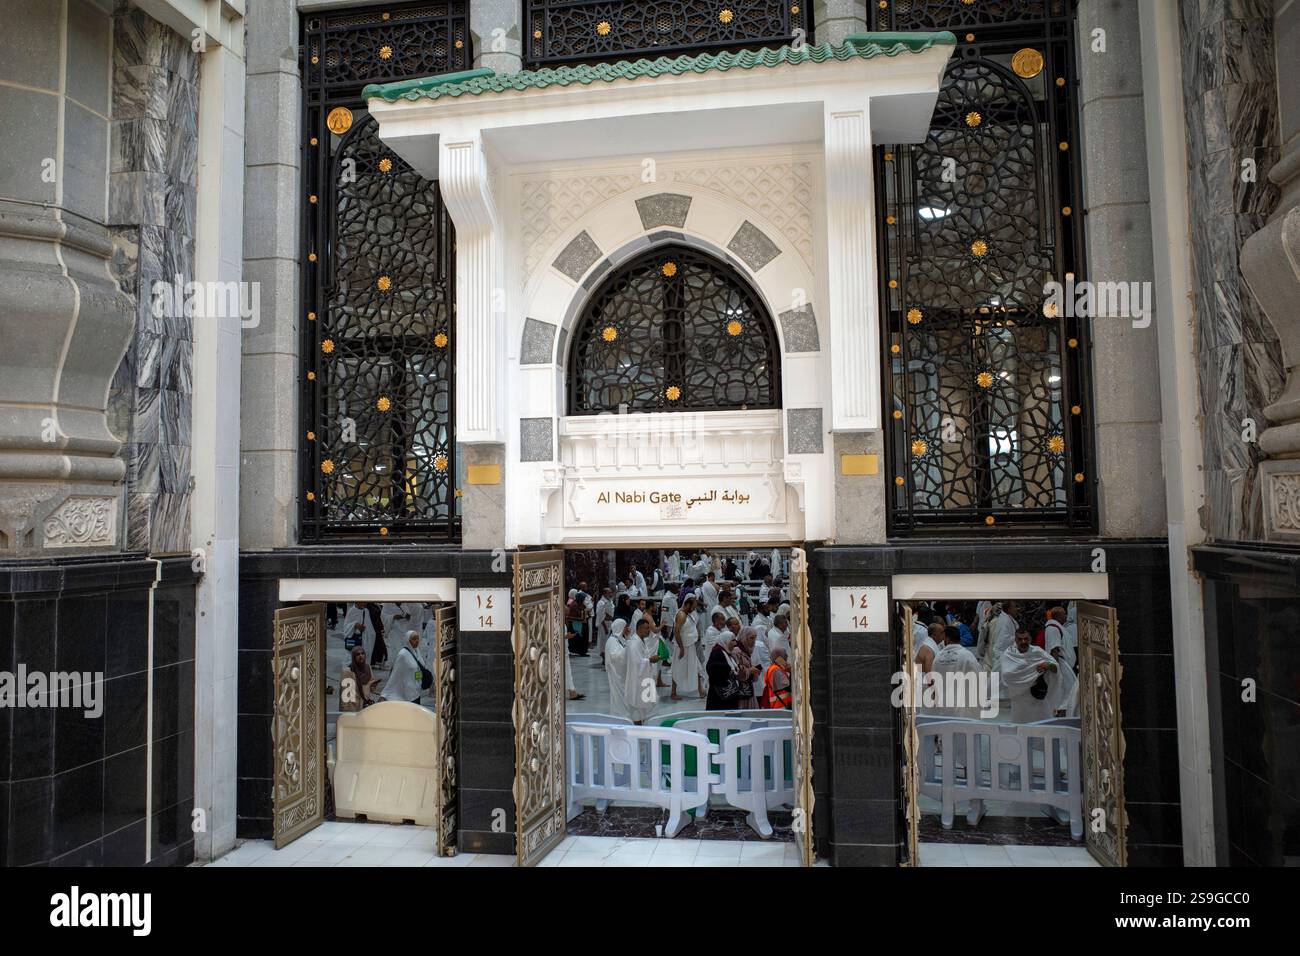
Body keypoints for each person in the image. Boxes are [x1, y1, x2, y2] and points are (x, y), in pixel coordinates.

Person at [999, 627, 1075, 723]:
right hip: (1019, 701)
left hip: (1037, 700)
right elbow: (1007, 675)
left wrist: (1048, 665)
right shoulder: (1009, 654)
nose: (1023, 641)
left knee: (1041, 728)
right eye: (1020, 639)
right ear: (1015, 640)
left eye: (1026, 638)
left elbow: (1055, 668)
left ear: (1030, 638)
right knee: (1021, 729)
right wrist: (1026, 676)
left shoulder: (1038, 652)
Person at [929, 624, 982, 717]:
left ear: (947, 638)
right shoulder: (967, 655)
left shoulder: (938, 657)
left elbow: (933, 680)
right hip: (964, 707)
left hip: (944, 706)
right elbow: (979, 677)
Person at [671, 594, 703, 700]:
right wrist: (681, 648)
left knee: (696, 667)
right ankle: (673, 692)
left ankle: (700, 690)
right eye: (693, 607)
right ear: (687, 604)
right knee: (677, 669)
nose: (694, 609)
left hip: (690, 646)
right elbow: (676, 632)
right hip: (682, 647)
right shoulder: (681, 615)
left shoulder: (687, 613)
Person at [381, 630, 426, 704]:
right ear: (408, 640)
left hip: (417, 690)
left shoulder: (417, 651)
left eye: (418, 638)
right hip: (408, 694)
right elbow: (395, 674)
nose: (417, 641)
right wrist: (385, 693)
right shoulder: (403, 655)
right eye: (414, 639)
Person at [341, 645, 379, 711]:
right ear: (353, 657)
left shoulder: (368, 668)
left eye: (362, 653)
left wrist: (373, 685)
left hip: (364, 705)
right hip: (353, 707)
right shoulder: (348, 672)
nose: (361, 656)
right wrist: (346, 712)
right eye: (358, 654)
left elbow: (371, 689)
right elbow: (345, 696)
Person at [983, 601, 1018, 673]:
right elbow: (1001, 644)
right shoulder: (1004, 622)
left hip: (993, 658)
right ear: (1009, 609)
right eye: (1014, 607)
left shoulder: (1002, 620)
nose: (1016, 609)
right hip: (998, 659)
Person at [1044, 605, 1076, 672]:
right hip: (1062, 669)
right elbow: (1054, 649)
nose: (1066, 616)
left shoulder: (1059, 627)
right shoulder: (1052, 628)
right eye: (1064, 614)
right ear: (1058, 616)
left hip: (1066, 668)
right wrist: (1056, 669)